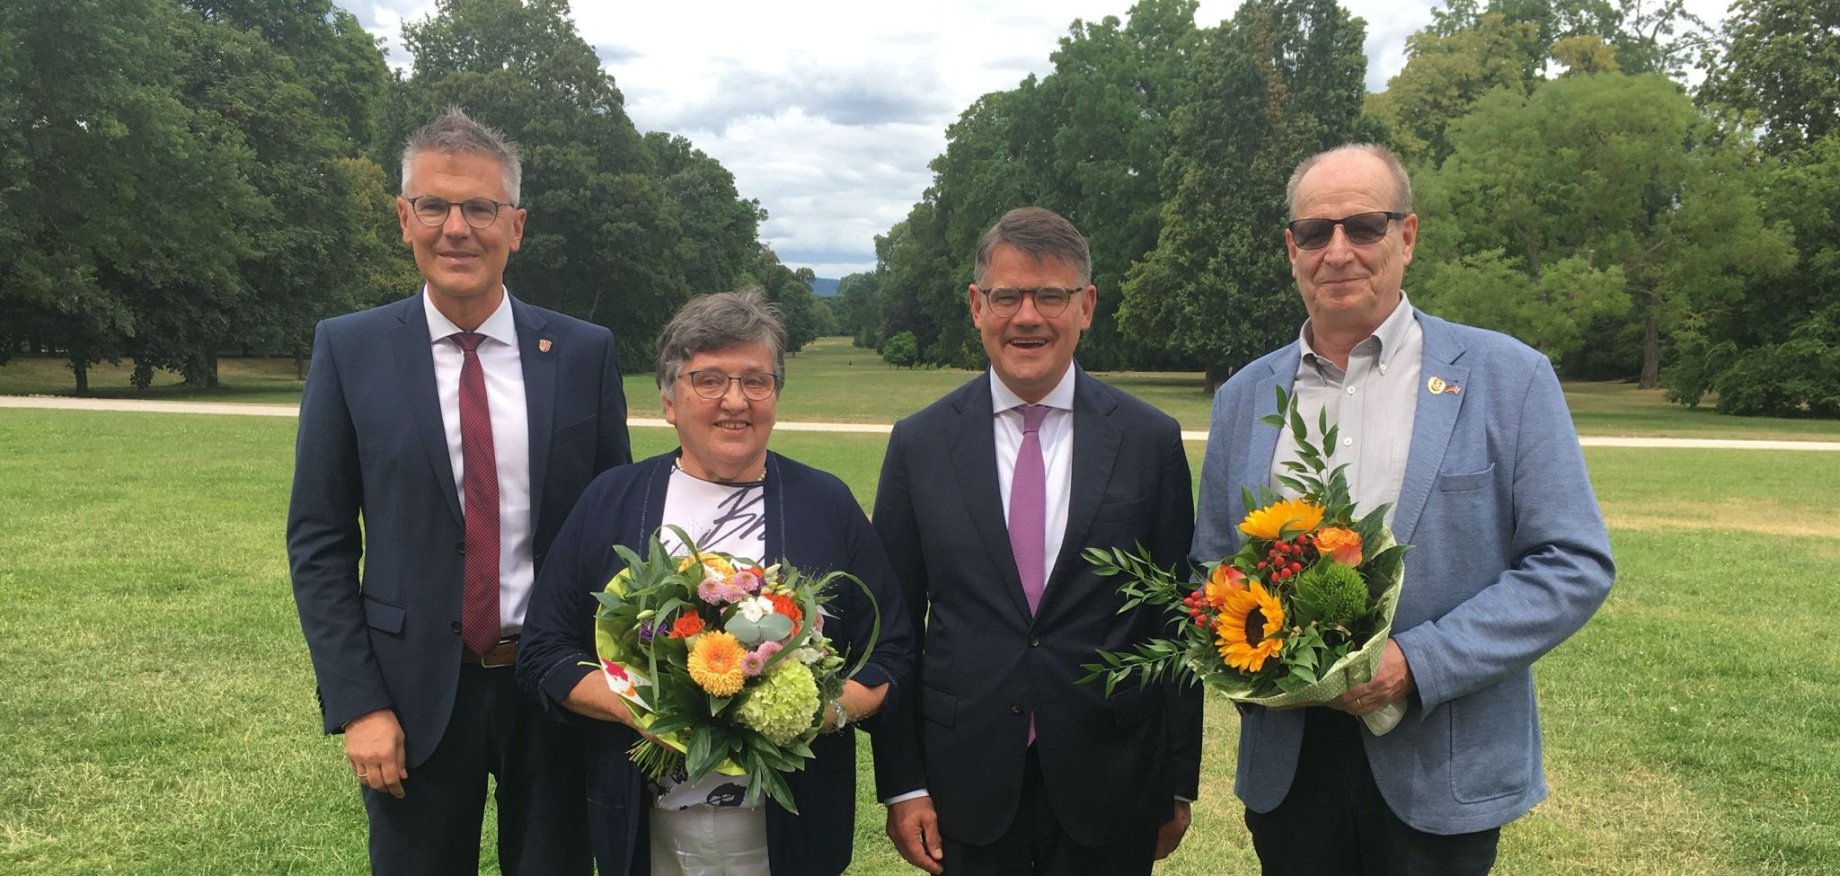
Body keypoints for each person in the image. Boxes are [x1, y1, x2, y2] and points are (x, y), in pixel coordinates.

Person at [1192, 143, 1616, 875]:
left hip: (1440, 760)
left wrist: (1415, 664)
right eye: (1316, 233)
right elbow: (1211, 566)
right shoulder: (1243, 399)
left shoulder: (1507, 379)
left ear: (1407, 236)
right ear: (1291, 249)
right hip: (1291, 772)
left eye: (1364, 226)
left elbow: (1572, 564)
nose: (1339, 252)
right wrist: (1259, 669)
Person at [286, 107, 631, 875]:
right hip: (409, 698)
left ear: (517, 225)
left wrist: (623, 681)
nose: (457, 228)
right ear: (403, 218)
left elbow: (618, 535)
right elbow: (320, 540)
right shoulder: (349, 350)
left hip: (556, 690)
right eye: (435, 206)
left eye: (480, 207)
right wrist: (359, 704)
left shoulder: (581, 353)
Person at [516, 288, 914, 876]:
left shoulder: (824, 503)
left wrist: (811, 714)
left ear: (776, 396)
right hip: (646, 831)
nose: (736, 401)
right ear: (670, 400)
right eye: (709, 380)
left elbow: (894, 654)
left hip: (790, 833)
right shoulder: (611, 500)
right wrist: (643, 707)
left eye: (756, 380)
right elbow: (544, 653)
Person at [872, 207, 1202, 875]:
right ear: (976, 305)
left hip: (1112, 779)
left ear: (1085, 306)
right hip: (965, 782)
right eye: (1007, 296)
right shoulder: (920, 444)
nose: (1028, 317)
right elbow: (895, 626)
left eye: (1050, 296)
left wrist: (1176, 779)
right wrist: (903, 783)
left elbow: (1179, 621)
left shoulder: (1148, 441)